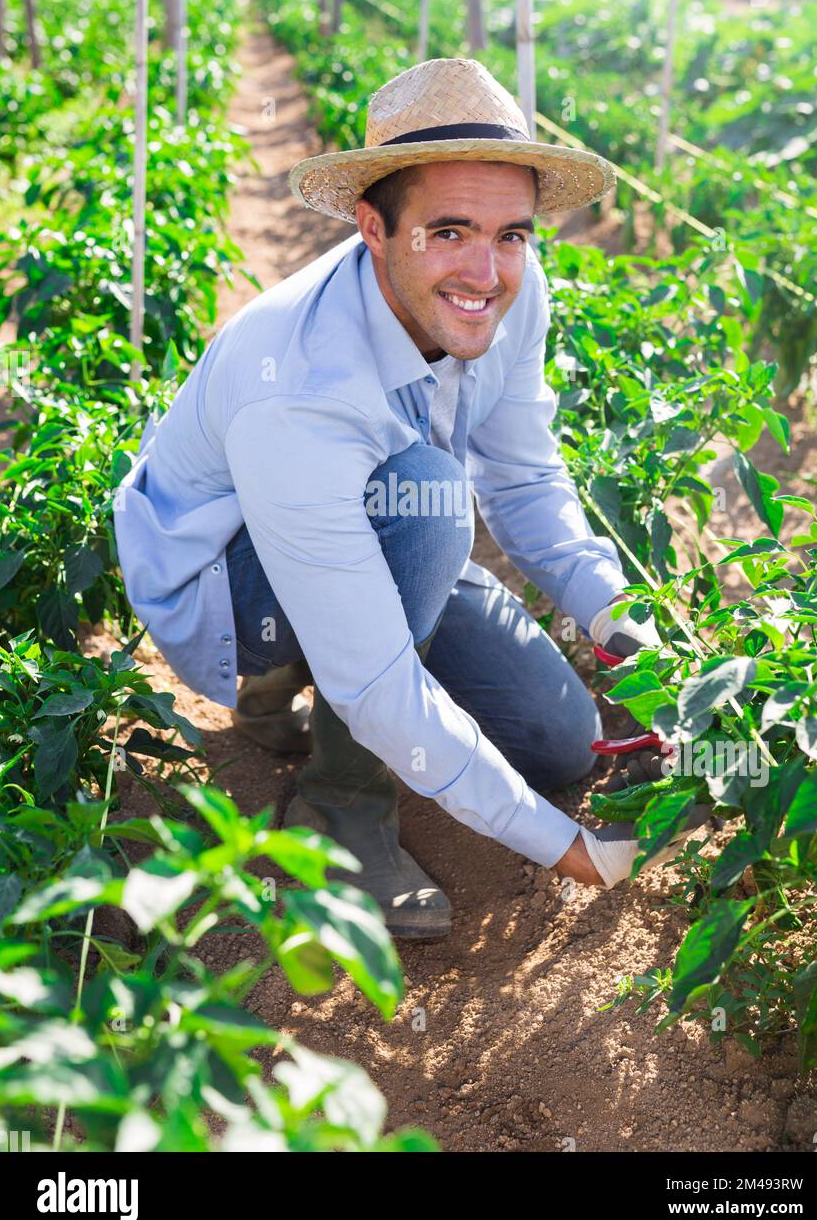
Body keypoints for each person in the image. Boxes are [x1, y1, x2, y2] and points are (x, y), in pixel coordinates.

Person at [114, 56, 692, 940]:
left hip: (388, 542)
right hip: (236, 596)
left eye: (511, 234)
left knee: (560, 739)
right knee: (426, 491)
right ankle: (337, 802)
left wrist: (636, 641)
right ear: (373, 228)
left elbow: (529, 480)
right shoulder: (300, 384)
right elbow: (379, 684)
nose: (486, 270)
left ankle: (334, 682)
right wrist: (569, 851)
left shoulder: (510, 289)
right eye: (448, 231)